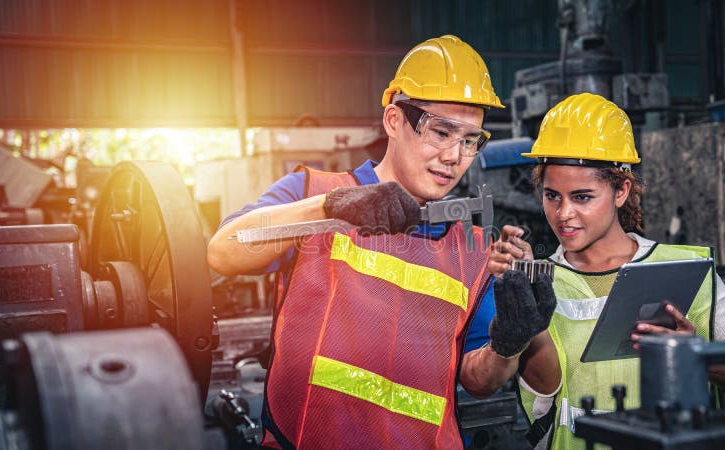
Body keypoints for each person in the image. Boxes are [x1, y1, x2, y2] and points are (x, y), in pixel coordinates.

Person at [208, 35, 556, 449]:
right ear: (393, 121)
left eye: (469, 140)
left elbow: (479, 381)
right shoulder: (312, 191)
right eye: (441, 132)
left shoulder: (476, 249)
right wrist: (332, 207)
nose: (454, 156)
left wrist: (510, 342)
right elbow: (224, 252)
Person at [485, 92, 725, 450]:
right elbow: (541, 394)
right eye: (551, 196)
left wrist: (694, 354)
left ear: (622, 190)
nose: (563, 214)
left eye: (582, 197)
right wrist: (523, 299)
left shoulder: (681, 270)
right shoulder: (541, 280)